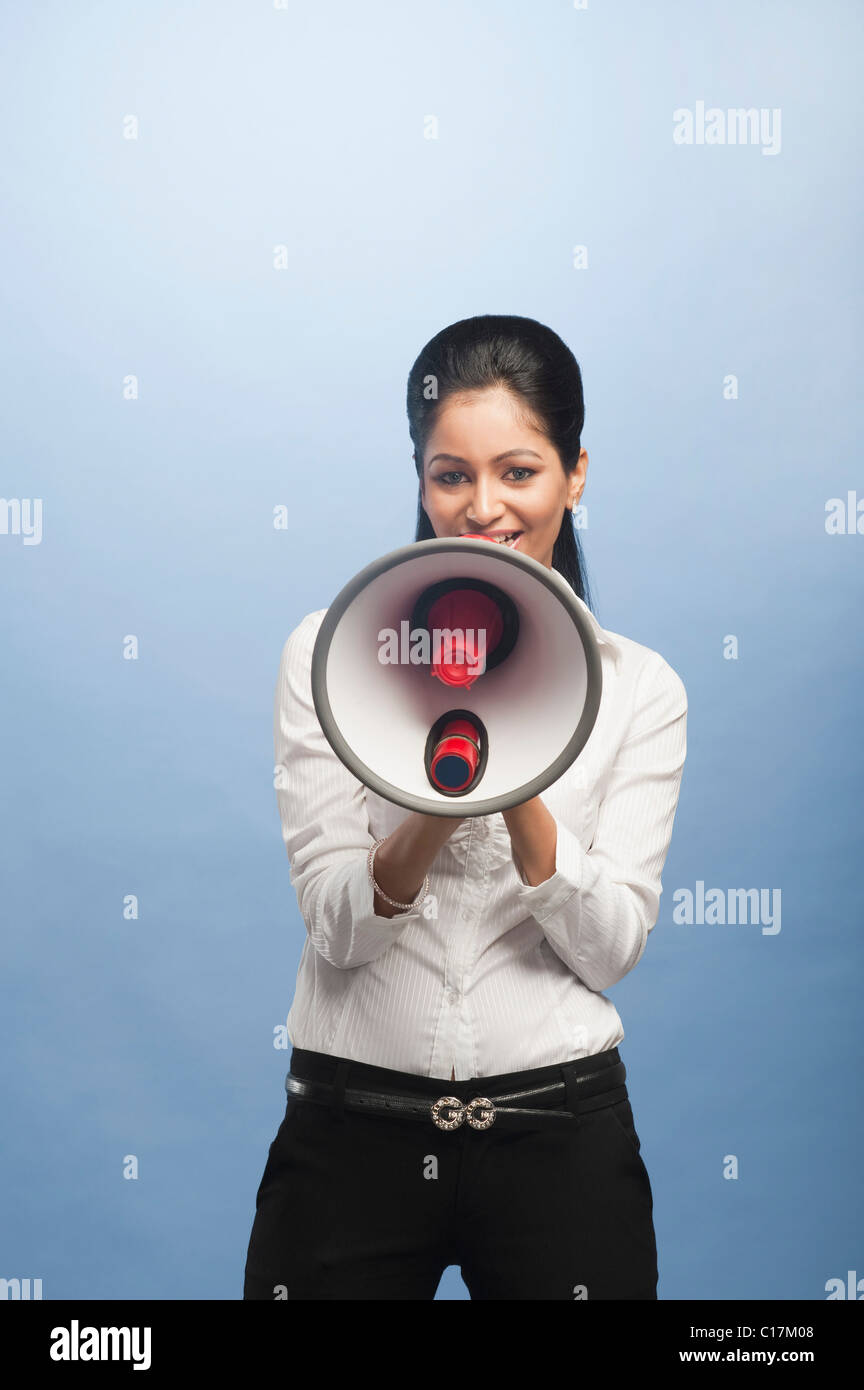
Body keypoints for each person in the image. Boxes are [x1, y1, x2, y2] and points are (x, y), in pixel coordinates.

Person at [243, 314, 687, 1300]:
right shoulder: (328, 657)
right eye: (451, 474)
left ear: (575, 474)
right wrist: (443, 781)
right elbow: (339, 928)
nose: (483, 507)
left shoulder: (641, 688)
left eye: (519, 471)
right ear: (420, 478)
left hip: (558, 1145)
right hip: (349, 1137)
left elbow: (609, 948)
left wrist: (518, 756)